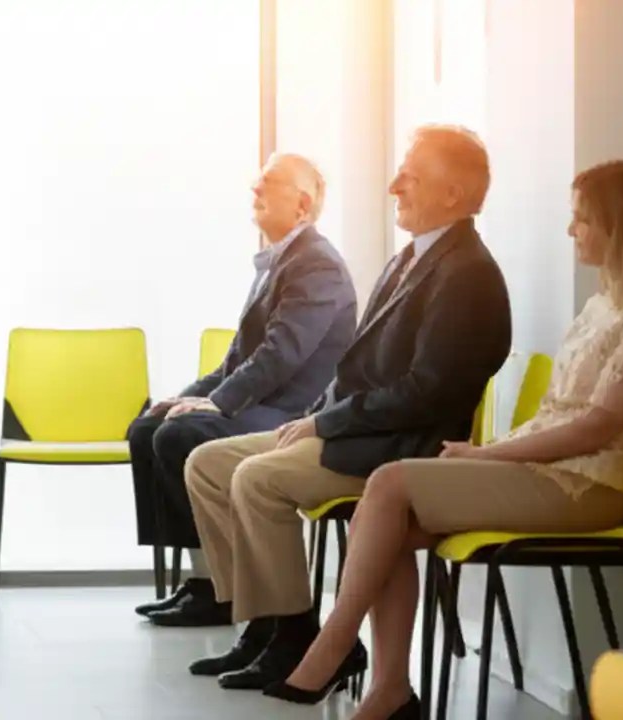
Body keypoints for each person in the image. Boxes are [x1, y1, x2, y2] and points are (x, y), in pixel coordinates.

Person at [269, 160, 623, 719]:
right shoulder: (600, 305)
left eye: (582, 220)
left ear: (621, 226)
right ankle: (389, 691)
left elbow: (597, 426)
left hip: (590, 484)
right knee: (387, 516)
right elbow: (556, 415)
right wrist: (494, 453)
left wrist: (488, 453)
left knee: (390, 482)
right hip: (553, 470)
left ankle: (337, 643)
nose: (571, 231)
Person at [183, 125, 512, 692]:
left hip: (398, 447)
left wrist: (324, 421)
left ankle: (293, 636)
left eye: (409, 174)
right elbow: (355, 369)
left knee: (258, 480)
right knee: (207, 464)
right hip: (353, 430)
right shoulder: (410, 258)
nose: (393, 186)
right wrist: (311, 414)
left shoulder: (468, 276)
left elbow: (423, 394)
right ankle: (266, 626)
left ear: (453, 195)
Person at [130, 153, 357, 627]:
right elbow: (236, 358)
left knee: (179, 436)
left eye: (267, 183)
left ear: (302, 203)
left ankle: (223, 589)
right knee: (149, 426)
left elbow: (281, 354)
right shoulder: (277, 262)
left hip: (292, 413)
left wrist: (214, 403)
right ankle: (204, 580)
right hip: (263, 403)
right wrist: (184, 396)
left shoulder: (317, 265)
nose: (254, 190)